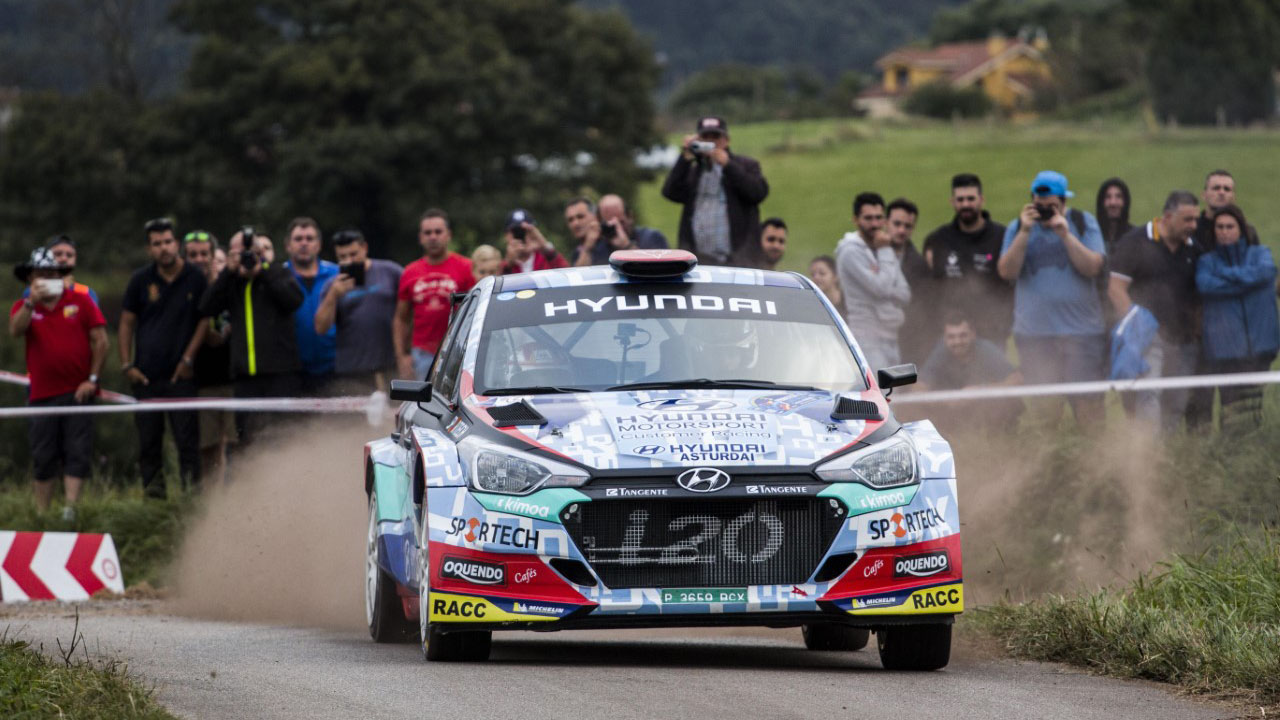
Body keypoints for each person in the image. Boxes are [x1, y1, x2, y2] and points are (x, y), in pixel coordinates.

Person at [997, 170, 1107, 425]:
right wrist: (1025, 232)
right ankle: (1050, 461)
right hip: (1036, 336)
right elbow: (1006, 272)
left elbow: (1093, 267)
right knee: (1045, 411)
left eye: (1051, 207)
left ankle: (1096, 459)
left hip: (1082, 334)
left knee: (1089, 408)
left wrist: (1065, 234)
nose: (1045, 211)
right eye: (1040, 206)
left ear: (1064, 202)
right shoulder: (1017, 227)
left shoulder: (1082, 222)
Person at [9, 247, 108, 520]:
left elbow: (101, 340)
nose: (46, 279)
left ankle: (70, 510)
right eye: (40, 275)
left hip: (78, 392)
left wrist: (92, 379)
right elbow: (16, 331)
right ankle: (42, 514)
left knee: (77, 451)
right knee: (43, 455)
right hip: (41, 395)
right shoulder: (24, 305)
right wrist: (32, 301)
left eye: (51, 274)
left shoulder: (81, 300)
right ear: (31, 279)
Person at [119, 219, 208, 498]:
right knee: (149, 447)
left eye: (168, 242)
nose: (164, 248)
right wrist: (127, 365)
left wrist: (188, 360)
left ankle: (192, 504)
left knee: (188, 445)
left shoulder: (196, 277)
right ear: (149, 249)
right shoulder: (140, 280)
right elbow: (126, 323)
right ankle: (155, 505)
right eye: (157, 244)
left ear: (177, 244)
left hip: (181, 378)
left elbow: (204, 321)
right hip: (146, 378)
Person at [199, 229, 304, 448]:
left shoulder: (276, 273)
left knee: (284, 438)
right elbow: (206, 307)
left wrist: (262, 269)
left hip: (280, 374)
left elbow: (294, 300)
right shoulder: (232, 282)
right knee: (248, 440)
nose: (246, 257)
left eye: (250, 252)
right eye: (240, 253)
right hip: (245, 378)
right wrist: (228, 271)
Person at [1108, 190, 1202, 432]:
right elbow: (1115, 288)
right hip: (1150, 339)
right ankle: (1147, 459)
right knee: (1149, 398)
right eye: (1188, 220)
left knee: (1176, 404)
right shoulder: (1135, 242)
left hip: (1184, 341)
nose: (1193, 225)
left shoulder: (1194, 249)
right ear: (1168, 217)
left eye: (1195, 219)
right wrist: (1138, 327)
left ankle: (1165, 457)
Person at [1195, 204, 1278, 429]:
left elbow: (1267, 272)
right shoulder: (1206, 262)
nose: (1224, 231)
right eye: (1219, 227)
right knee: (1231, 413)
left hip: (1260, 347)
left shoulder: (1260, 254)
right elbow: (1206, 286)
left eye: (1229, 226)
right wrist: (1246, 283)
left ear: (1240, 229)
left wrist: (1226, 275)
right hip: (1226, 351)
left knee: (1255, 411)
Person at [660, 116, 769, 266]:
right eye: (705, 137)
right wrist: (685, 157)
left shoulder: (746, 165)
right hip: (699, 261)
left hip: (738, 260)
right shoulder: (694, 171)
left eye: (716, 136)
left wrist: (728, 165)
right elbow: (670, 192)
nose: (711, 142)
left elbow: (758, 192)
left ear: (727, 140)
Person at [921, 173, 1012, 350]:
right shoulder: (937, 240)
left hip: (992, 334)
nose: (965, 204)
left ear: (981, 200)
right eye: (960, 199)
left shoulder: (1002, 236)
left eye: (971, 199)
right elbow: (933, 287)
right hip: (952, 336)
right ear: (952, 202)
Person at [314, 229, 403, 393]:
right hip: (352, 369)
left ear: (365, 248)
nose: (349, 260)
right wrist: (333, 296)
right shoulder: (332, 285)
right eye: (342, 257)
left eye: (353, 254)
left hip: (390, 363)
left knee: (393, 416)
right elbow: (321, 328)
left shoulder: (391, 272)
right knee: (356, 418)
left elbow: (408, 312)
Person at [395, 209, 476, 379]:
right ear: (420, 237)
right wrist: (402, 357)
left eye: (438, 232)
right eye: (427, 233)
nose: (433, 237)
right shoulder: (410, 272)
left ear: (448, 235)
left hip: (459, 348)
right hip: (422, 353)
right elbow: (401, 318)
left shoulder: (467, 267)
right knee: (425, 402)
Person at [835, 192, 911, 369]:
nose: (875, 224)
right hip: (867, 339)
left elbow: (905, 293)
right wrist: (885, 251)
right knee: (880, 395)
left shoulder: (881, 247)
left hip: (891, 336)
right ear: (855, 219)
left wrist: (883, 283)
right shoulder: (850, 252)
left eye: (879, 218)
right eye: (868, 218)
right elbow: (883, 288)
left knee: (895, 395)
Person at [916, 310, 1023, 430]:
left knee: (1009, 404)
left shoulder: (986, 349)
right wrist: (940, 400)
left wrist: (978, 391)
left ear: (973, 334)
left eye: (963, 335)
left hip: (985, 408)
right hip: (953, 411)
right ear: (944, 338)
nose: (957, 342)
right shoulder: (941, 352)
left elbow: (1016, 380)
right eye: (951, 337)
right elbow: (920, 385)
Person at [186, 232, 235, 485]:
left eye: (214, 257)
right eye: (194, 255)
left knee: (234, 444)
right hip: (203, 380)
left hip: (233, 377)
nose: (205, 261)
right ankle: (211, 500)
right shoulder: (190, 292)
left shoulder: (231, 288)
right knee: (209, 446)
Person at [283, 218, 339, 395]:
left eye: (309, 238)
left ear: (319, 244)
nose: (304, 243)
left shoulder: (336, 274)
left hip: (334, 366)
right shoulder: (279, 277)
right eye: (298, 239)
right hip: (293, 369)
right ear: (288, 245)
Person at [885, 198, 932, 363]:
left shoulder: (920, 265)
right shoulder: (867, 256)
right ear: (886, 223)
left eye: (907, 226)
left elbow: (923, 310)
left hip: (907, 341)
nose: (901, 230)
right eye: (897, 224)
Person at [572, 195, 669, 266]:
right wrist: (588, 248)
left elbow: (659, 270)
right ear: (600, 221)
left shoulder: (651, 238)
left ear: (630, 217)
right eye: (609, 224)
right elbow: (577, 279)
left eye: (620, 222)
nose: (617, 228)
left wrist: (627, 245)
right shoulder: (594, 246)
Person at [1195, 170, 1259, 250]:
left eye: (1227, 189)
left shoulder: (1247, 231)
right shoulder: (1193, 229)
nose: (1222, 192)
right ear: (1204, 195)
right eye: (1216, 188)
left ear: (1233, 197)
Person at [36, 235, 100, 307]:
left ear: (75, 259)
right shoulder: (35, 291)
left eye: (69, 255)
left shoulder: (86, 293)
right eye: (58, 254)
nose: (64, 258)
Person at [501, 209, 568, 274]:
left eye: (525, 231)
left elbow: (566, 274)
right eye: (516, 232)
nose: (521, 236)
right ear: (506, 236)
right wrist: (507, 265)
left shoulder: (546, 260)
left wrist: (546, 248)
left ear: (534, 232)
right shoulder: (500, 265)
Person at [1096, 177, 1134, 252]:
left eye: (1118, 197)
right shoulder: (1092, 236)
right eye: (1108, 197)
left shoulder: (1134, 237)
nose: (1113, 203)